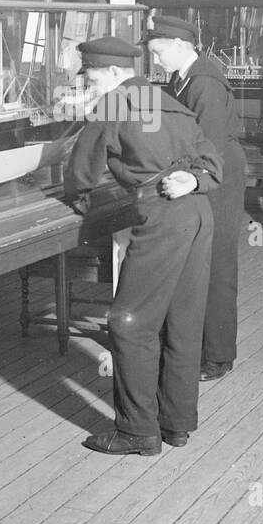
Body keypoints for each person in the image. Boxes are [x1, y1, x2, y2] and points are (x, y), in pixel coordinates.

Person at [63, 35, 223, 456]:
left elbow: (82, 166)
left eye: (92, 76)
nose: (89, 85)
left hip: (162, 217)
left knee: (127, 322)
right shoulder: (169, 101)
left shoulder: (115, 102)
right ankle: (177, 423)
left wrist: (77, 198)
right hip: (199, 212)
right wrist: (195, 179)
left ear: (115, 74)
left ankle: (137, 431)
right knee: (182, 321)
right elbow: (211, 159)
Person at [144, 14, 248, 381]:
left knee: (217, 264)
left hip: (219, 175)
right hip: (209, 170)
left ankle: (218, 356)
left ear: (178, 45)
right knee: (202, 264)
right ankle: (199, 346)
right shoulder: (184, 75)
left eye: (158, 53)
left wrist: (195, 179)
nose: (156, 61)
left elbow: (212, 141)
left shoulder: (203, 81)